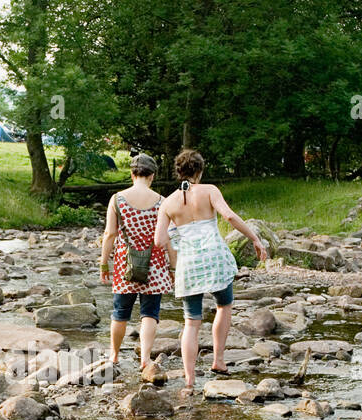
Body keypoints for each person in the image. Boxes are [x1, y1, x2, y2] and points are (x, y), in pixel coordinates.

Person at [155, 148, 267, 391]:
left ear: (179, 172)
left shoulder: (169, 202)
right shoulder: (209, 191)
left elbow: (159, 240)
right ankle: (218, 360)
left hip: (189, 265)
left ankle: (189, 379)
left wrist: (177, 232)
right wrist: (255, 238)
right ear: (199, 170)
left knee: (191, 322)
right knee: (223, 306)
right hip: (215, 259)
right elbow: (229, 217)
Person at [100, 154, 172, 369]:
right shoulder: (162, 201)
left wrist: (104, 263)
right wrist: (174, 267)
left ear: (132, 174)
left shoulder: (117, 199)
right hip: (156, 264)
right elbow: (168, 239)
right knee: (150, 313)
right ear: (152, 176)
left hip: (125, 264)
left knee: (120, 312)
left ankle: (113, 356)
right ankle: (145, 359)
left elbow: (109, 234)